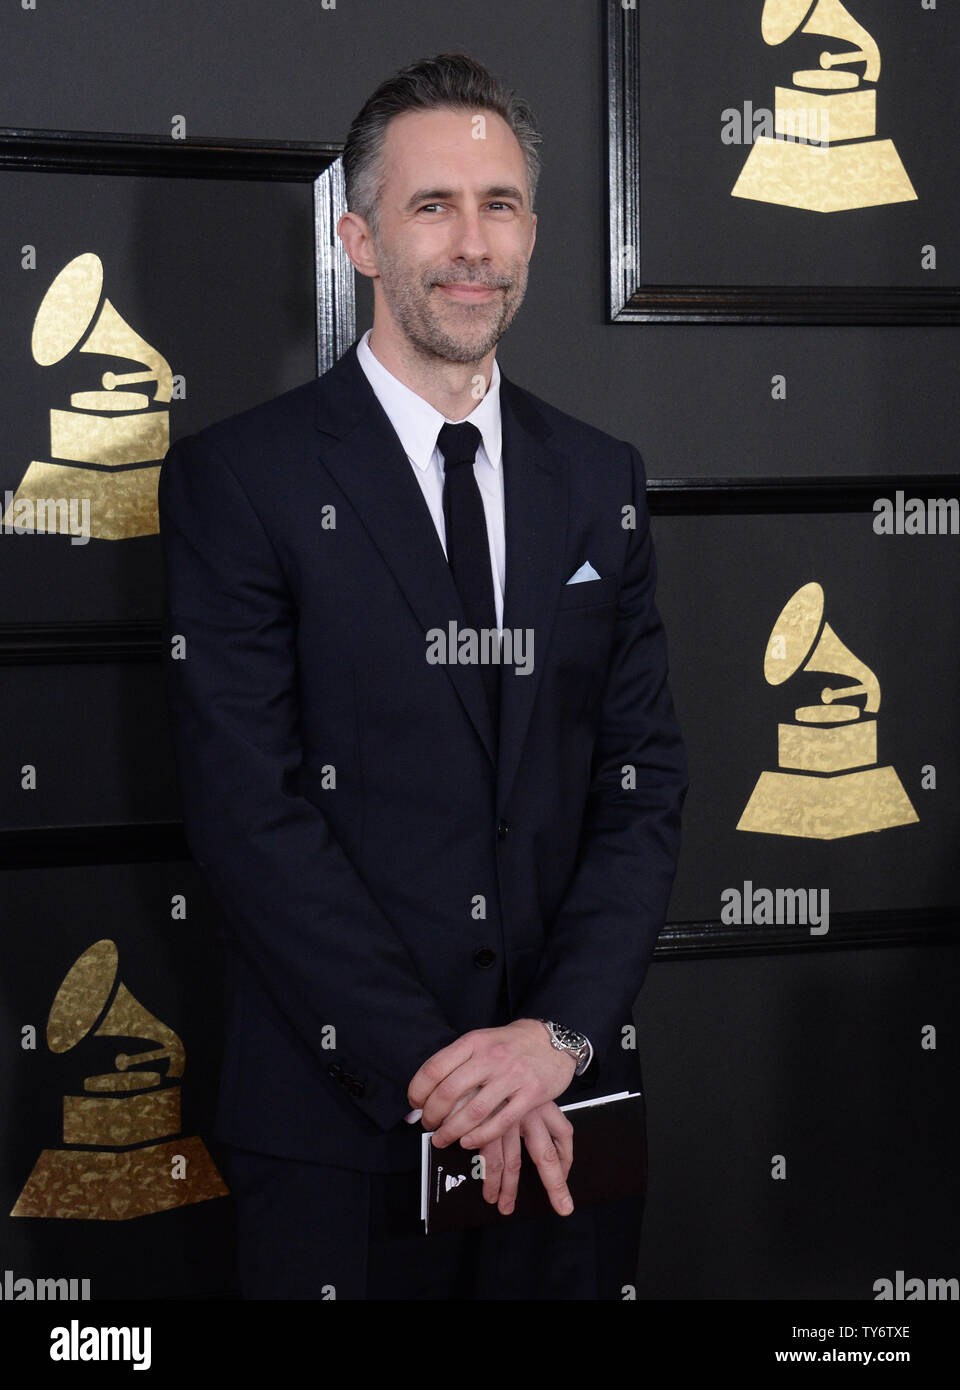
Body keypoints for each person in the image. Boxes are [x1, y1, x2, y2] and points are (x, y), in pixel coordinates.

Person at [158, 51, 688, 1300]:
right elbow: (250, 816)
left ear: (535, 234)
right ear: (356, 236)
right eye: (432, 205)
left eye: (498, 205)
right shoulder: (244, 481)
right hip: (344, 1139)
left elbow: (644, 780)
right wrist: (447, 1072)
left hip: (569, 1125)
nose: (471, 244)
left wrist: (552, 1043)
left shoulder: (599, 477)